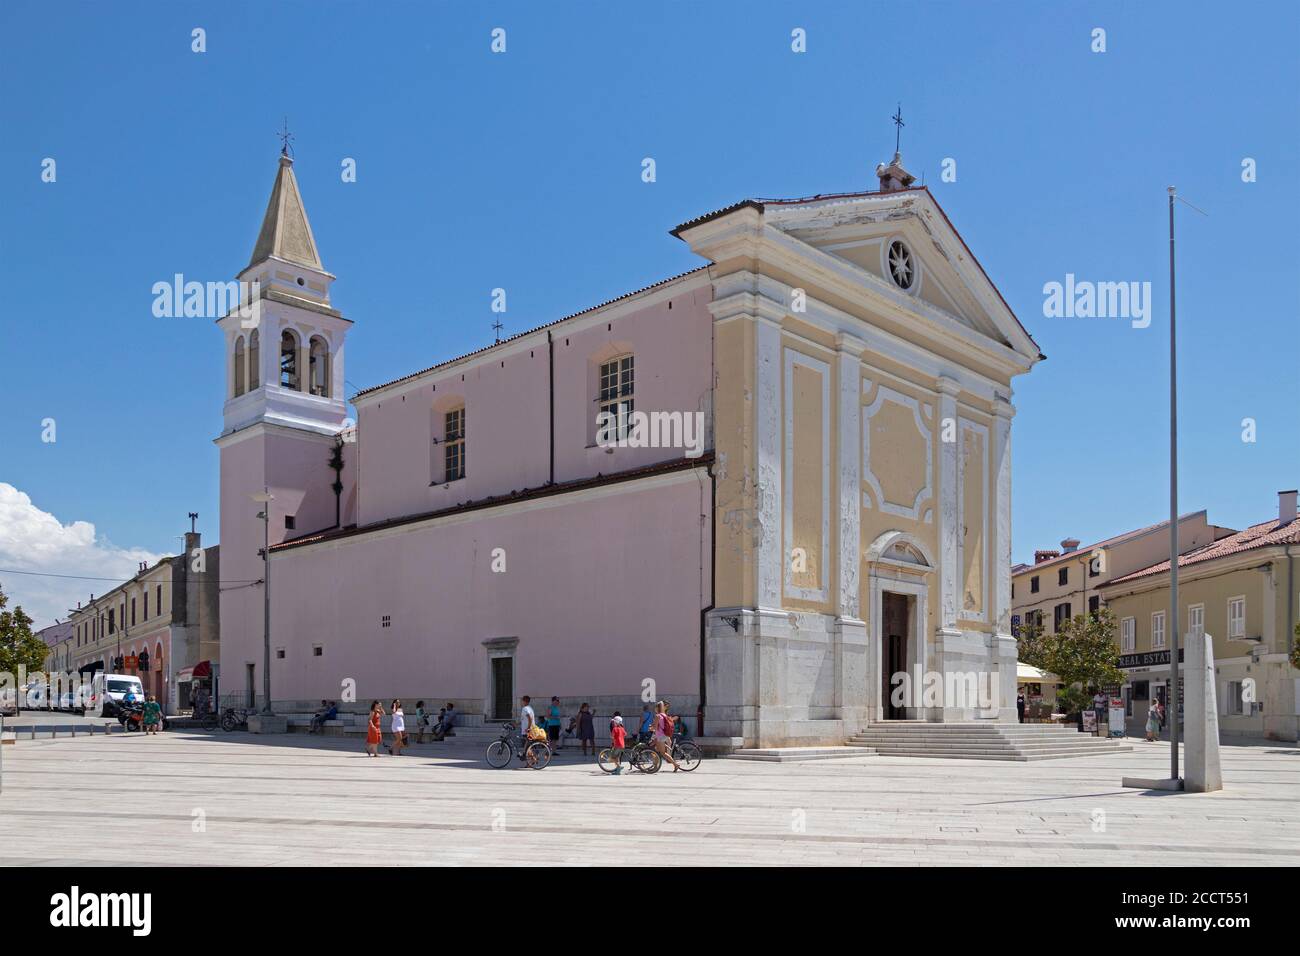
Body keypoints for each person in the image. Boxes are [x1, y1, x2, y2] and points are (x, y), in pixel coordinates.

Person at [651, 700, 679, 772]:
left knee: (663, 753)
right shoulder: (664, 715)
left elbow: (655, 727)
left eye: (656, 707)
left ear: (658, 708)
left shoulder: (658, 716)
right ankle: (655, 766)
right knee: (655, 751)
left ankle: (675, 764)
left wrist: (651, 728)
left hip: (660, 736)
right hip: (664, 735)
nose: (655, 709)